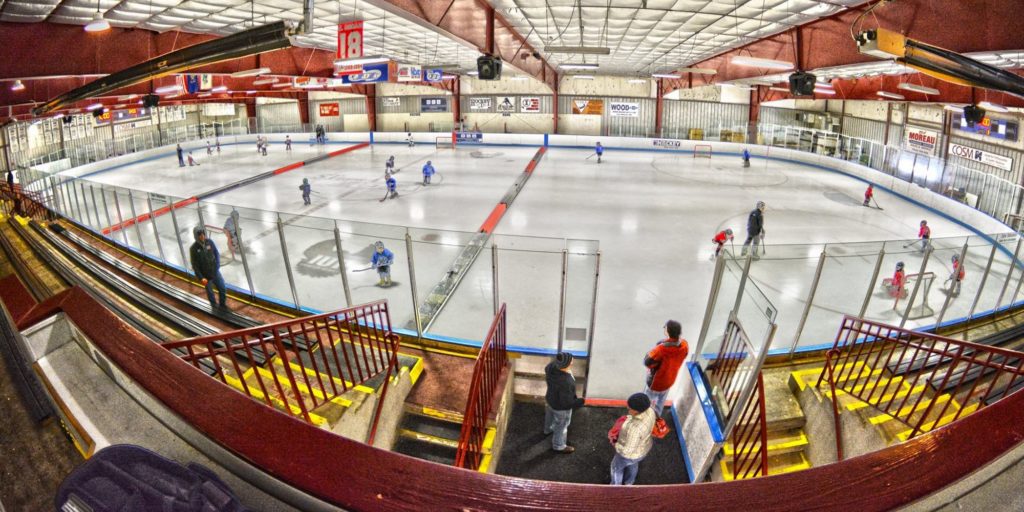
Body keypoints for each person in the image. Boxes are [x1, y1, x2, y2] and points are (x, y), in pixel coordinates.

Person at [643, 320, 689, 417]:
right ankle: (656, 418)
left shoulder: (660, 349)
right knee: (660, 402)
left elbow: (647, 362)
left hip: (656, 382)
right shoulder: (684, 345)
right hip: (669, 380)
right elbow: (684, 355)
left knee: (646, 402)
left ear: (667, 331)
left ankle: (645, 418)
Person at [610, 393, 656, 485]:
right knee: (633, 464)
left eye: (630, 408)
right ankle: (629, 482)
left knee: (616, 468)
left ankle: (615, 486)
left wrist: (616, 444)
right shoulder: (650, 411)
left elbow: (627, 451)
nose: (628, 408)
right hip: (642, 450)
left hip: (628, 455)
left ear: (637, 411)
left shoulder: (634, 429)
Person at [544, 352, 584, 454]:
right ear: (567, 364)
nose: (572, 361)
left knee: (549, 416)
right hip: (561, 409)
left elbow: (547, 368)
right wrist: (581, 401)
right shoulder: (566, 382)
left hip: (550, 399)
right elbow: (567, 403)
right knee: (562, 426)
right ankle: (559, 445)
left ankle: (547, 430)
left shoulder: (551, 367)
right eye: (571, 361)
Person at [189, 226, 226, 309]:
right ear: (196, 236)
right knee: (210, 293)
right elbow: (195, 266)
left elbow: (216, 253)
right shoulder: (193, 249)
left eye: (203, 233)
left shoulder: (210, 242)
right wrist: (201, 277)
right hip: (205, 275)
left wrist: (217, 265)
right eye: (199, 234)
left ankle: (222, 305)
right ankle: (214, 307)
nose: (202, 236)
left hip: (215, 272)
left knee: (222, 288)